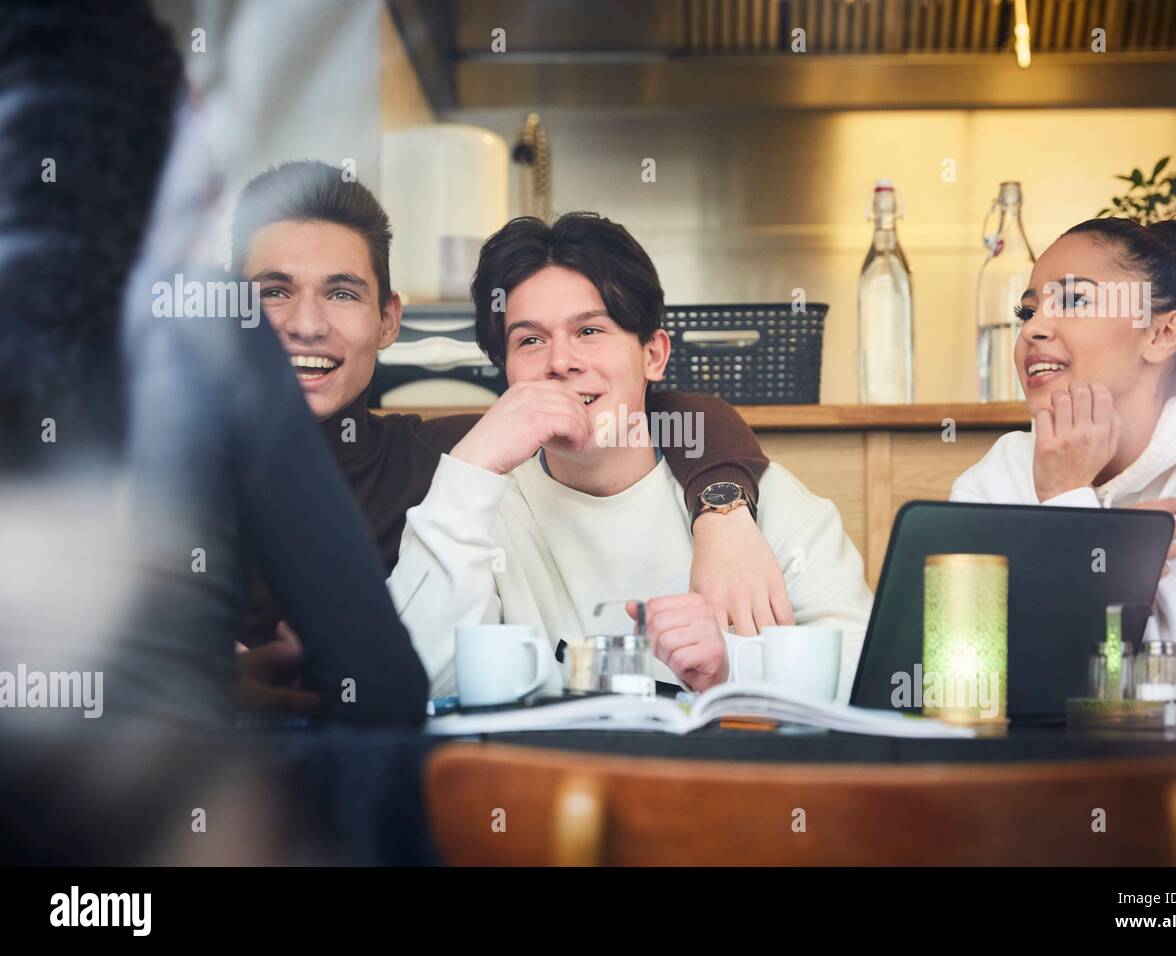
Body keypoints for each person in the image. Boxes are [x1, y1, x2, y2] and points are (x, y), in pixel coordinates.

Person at [0, 0, 427, 728]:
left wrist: (216, 680)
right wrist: (195, 684)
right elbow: (382, 688)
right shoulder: (204, 329)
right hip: (160, 814)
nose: (304, 323)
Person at [228, 161, 795, 689]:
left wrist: (722, 511)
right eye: (274, 292)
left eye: (342, 292)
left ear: (388, 319)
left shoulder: (435, 457)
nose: (305, 323)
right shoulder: (159, 476)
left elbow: (651, 411)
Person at [388, 212, 873, 699]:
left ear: (653, 355)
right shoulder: (478, 510)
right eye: (530, 340)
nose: (560, 362)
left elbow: (866, 672)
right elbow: (418, 681)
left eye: (590, 331)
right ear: (508, 371)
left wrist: (733, 667)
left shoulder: (758, 505)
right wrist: (471, 467)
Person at [950, 215, 1176, 701]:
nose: (1034, 330)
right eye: (1026, 313)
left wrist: (1066, 503)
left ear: (1161, 334)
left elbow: (1139, 683)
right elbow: (955, 671)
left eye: (1074, 301)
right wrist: (1108, 559)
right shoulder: (1000, 471)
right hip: (1029, 762)